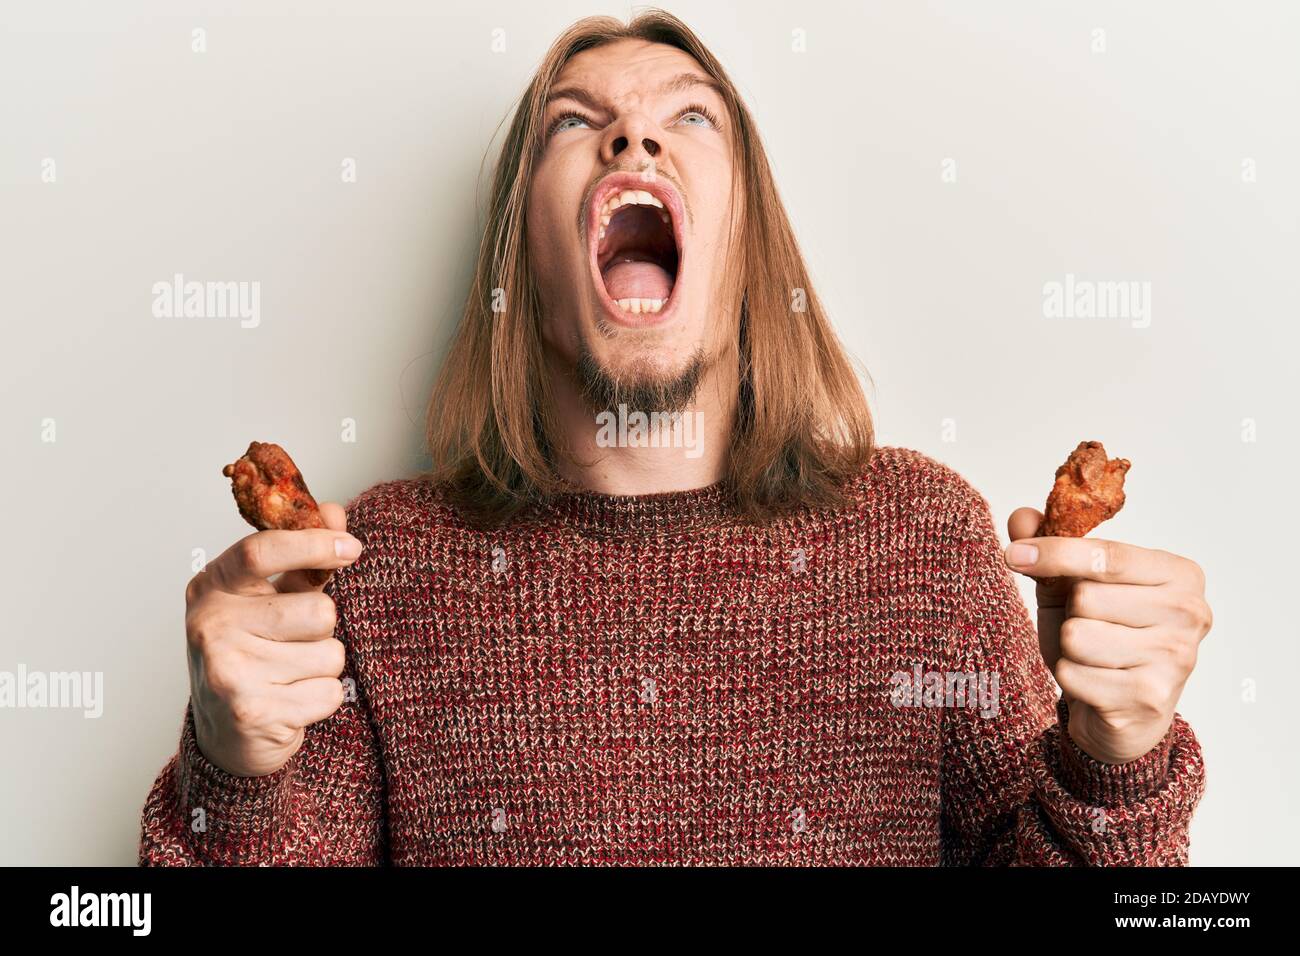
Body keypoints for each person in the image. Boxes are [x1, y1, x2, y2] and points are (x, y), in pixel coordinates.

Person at [140, 10, 1210, 866]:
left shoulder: (921, 540)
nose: (632, 135)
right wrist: (234, 774)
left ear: (746, 246)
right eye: (573, 122)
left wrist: (1117, 762)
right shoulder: (382, 569)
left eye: (689, 118)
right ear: (524, 264)